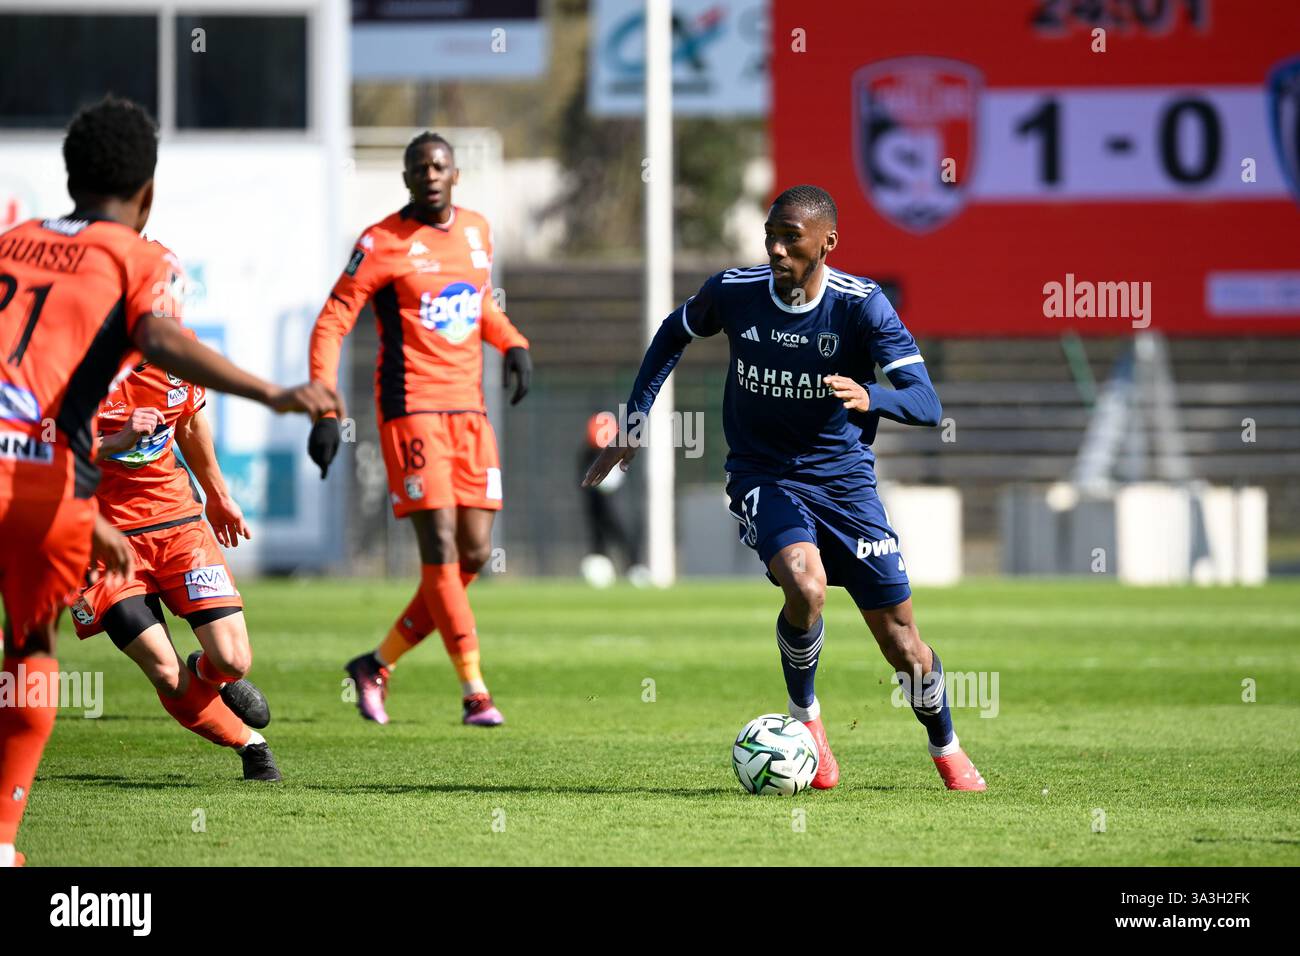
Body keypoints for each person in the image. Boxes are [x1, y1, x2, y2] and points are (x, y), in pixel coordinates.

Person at [0, 95, 340, 867]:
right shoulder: (139, 265)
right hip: (51, 497)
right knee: (30, 657)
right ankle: (5, 839)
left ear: (67, 175)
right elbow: (158, 334)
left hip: (75, 499)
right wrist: (276, 393)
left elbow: (180, 404)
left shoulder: (12, 242)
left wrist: (215, 487)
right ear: (145, 191)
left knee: (39, 656)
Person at [583, 184, 986, 792]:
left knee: (903, 644)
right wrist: (635, 420)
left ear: (828, 243)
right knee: (805, 580)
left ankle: (946, 746)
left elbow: (928, 404)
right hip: (763, 474)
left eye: (789, 237)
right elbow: (673, 333)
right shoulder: (735, 292)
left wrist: (871, 394)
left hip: (846, 483)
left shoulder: (862, 306)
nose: (774, 248)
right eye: (769, 234)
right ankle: (807, 721)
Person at [308, 132, 531, 727]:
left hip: (470, 413)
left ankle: (375, 665)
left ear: (455, 174)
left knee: (475, 553)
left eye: (438, 165)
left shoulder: (478, 231)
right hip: (411, 411)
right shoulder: (381, 242)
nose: (429, 174)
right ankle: (474, 692)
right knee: (437, 549)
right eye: (417, 167)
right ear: (406, 179)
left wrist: (511, 342)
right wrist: (326, 409)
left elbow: (476, 302)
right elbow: (331, 322)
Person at [69, 348, 280, 782]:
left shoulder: (177, 353)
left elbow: (189, 421)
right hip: (101, 542)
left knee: (234, 659)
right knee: (165, 670)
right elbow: (44, 454)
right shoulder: (69, 366)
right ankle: (249, 745)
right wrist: (114, 442)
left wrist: (218, 495)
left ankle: (210, 672)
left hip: (178, 525)